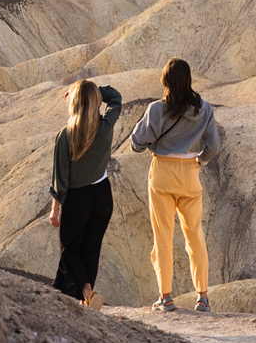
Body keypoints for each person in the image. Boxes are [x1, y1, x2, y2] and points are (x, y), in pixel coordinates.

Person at [130, 58, 220, 313]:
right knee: (195, 235)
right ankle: (202, 297)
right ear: (189, 80)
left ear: (166, 82)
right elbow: (213, 146)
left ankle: (166, 297)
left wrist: (153, 144)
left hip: (162, 173)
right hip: (191, 173)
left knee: (163, 237)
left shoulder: (157, 110)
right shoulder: (204, 109)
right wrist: (199, 161)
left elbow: (136, 143)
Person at [49, 79, 122, 308]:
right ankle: (85, 299)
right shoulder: (105, 127)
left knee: (70, 252)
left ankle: (87, 291)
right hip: (102, 196)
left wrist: (55, 210)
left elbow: (61, 179)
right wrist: (95, 92)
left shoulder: (65, 135)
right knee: (91, 249)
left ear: (74, 102)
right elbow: (117, 98)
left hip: (77, 199)